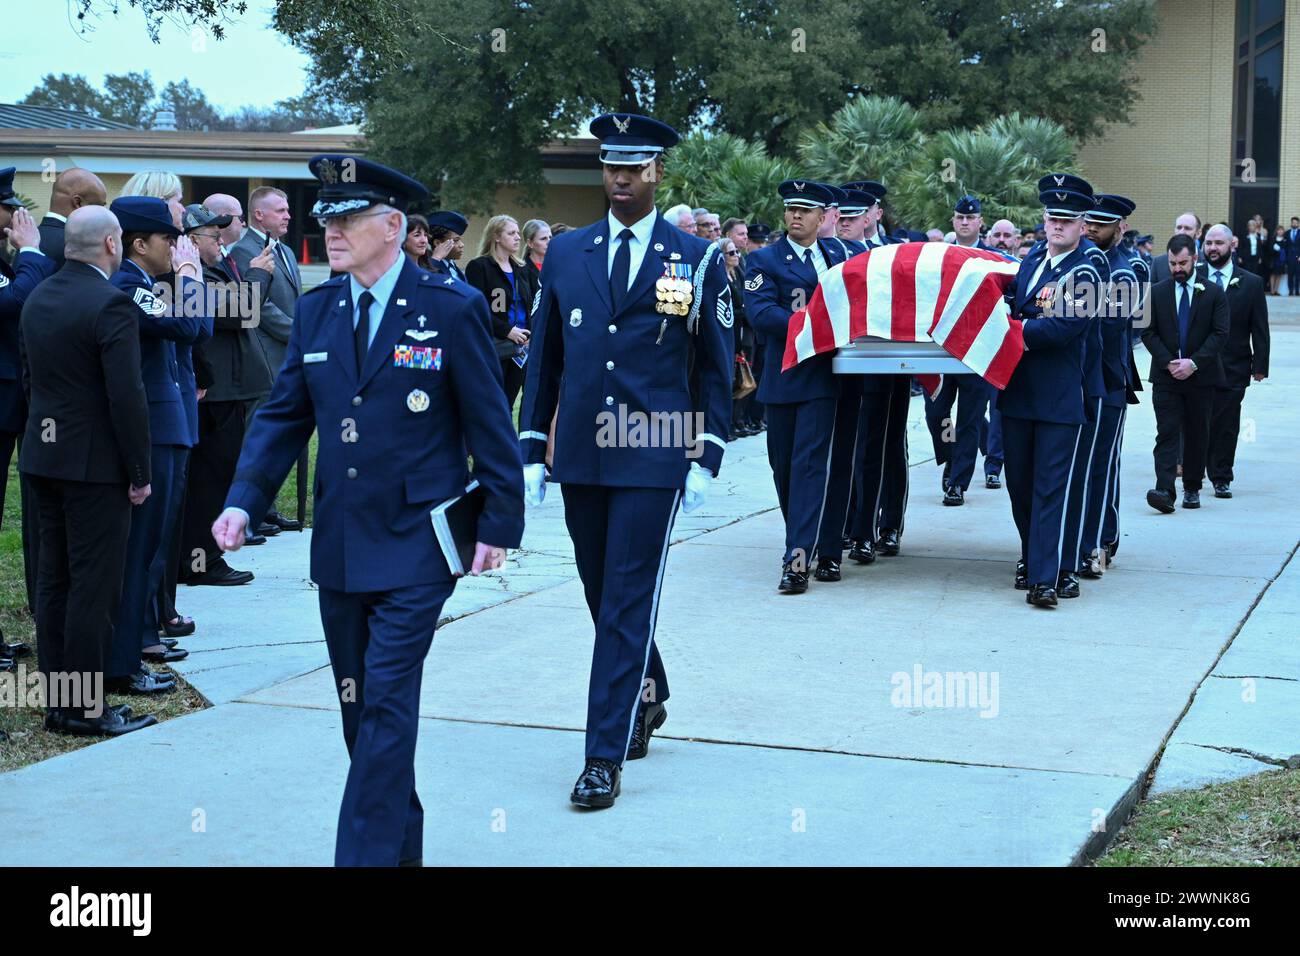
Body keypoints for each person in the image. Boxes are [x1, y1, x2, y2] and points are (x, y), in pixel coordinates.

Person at [212, 154, 524, 865]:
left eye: (347, 218)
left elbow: (488, 422)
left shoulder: (450, 308)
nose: (331, 231)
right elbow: (284, 417)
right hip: (343, 547)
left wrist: (500, 522)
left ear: (392, 226)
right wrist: (242, 499)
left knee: (384, 703)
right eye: (325, 218)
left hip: (418, 545)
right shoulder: (321, 309)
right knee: (363, 718)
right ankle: (400, 849)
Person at [518, 113, 732, 808]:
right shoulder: (570, 252)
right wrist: (529, 445)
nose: (620, 179)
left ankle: (603, 755)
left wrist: (707, 453)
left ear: (657, 173)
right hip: (580, 449)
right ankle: (649, 686)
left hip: (653, 451)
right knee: (601, 592)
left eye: (635, 168)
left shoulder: (692, 256)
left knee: (627, 596)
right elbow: (545, 357)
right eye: (611, 166)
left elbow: (713, 366)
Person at [20, 205, 156, 736]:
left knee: (54, 579)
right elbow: (127, 396)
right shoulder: (111, 303)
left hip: (43, 456)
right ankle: (85, 707)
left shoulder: (38, 296)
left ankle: (60, 700)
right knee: (94, 586)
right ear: (110, 244)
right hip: (95, 467)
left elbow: (34, 380)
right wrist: (139, 470)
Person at [105, 196, 206, 693]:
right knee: (140, 549)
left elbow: (196, 331)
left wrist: (187, 282)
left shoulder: (144, 283)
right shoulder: (128, 283)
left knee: (151, 547)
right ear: (138, 243)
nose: (176, 246)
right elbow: (190, 326)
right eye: (168, 238)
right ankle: (125, 659)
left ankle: (137, 643)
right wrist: (190, 278)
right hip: (154, 429)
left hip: (168, 426)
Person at [998, 177, 1105, 608]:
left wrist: (1014, 330)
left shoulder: (1088, 268)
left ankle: (1047, 577)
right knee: (1019, 484)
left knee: (1050, 489)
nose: (1057, 226)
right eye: (1051, 219)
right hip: (1019, 389)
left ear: (1082, 225)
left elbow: (1065, 326)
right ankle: (1037, 556)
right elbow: (1012, 302)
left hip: (1060, 394)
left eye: (1066, 220)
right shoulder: (1031, 261)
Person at [745, 180, 849, 591]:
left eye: (805, 210)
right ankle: (813, 542)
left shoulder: (836, 257)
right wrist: (813, 328)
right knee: (784, 469)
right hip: (785, 376)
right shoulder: (766, 260)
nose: (795, 216)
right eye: (791, 209)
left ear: (823, 217)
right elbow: (760, 313)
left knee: (809, 468)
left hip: (824, 378)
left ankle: (797, 559)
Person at [179, 202, 275, 590]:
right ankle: (202, 561)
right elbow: (243, 311)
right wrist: (258, 275)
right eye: (209, 233)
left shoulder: (215, 267)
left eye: (220, 230)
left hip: (229, 388)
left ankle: (202, 557)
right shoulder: (193, 276)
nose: (219, 237)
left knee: (217, 478)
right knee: (209, 481)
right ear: (189, 240)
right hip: (216, 393)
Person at [0, 167, 57, 670]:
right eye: (7, 209)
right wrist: (33, 252)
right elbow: (18, 300)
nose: (13, 219)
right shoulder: (20, 259)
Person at [842, 180, 909, 563]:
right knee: (852, 447)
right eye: (844, 215)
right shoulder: (833, 254)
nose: (849, 221)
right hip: (847, 367)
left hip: (888, 363)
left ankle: (886, 525)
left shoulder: (892, 255)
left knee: (886, 446)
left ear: (874, 215)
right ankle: (855, 525)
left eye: (857, 214)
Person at [231, 185, 304, 534]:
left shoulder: (285, 251)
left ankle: (267, 507)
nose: (288, 215)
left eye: (288, 209)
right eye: (280, 210)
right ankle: (250, 512)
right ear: (258, 214)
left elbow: (291, 298)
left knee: (275, 437)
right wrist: (297, 331)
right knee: (256, 436)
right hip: (262, 357)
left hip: (286, 358)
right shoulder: (243, 249)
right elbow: (257, 305)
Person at [1141, 234, 1230, 514]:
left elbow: (1220, 334)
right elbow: (1147, 331)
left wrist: (1194, 363)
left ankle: (1192, 487)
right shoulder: (1156, 292)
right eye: (1172, 263)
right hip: (1166, 377)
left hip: (1200, 377)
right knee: (1166, 433)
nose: (1177, 269)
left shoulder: (1214, 293)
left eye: (1182, 263)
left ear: (1195, 259)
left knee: (1196, 433)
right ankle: (1165, 490)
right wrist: (1168, 362)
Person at [1078, 193, 1139, 577]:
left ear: (1121, 227)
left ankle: (1102, 538)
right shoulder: (1081, 262)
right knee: (1082, 463)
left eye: (1102, 223)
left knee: (1101, 463)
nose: (1093, 228)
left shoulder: (1126, 271)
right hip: (1079, 376)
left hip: (1108, 377)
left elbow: (1109, 324)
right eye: (1090, 221)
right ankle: (1088, 536)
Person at [925, 196, 1001, 506]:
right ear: (953, 222)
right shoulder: (936, 256)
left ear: (981, 222)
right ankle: (950, 458)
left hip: (977, 351)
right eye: (959, 217)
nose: (965, 222)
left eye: (971, 218)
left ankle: (958, 482)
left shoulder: (994, 257)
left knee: (970, 419)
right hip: (941, 350)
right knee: (937, 413)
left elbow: (1018, 295)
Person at [1202, 224, 1269, 499]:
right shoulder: (1193, 278)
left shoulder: (1251, 283)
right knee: (1198, 421)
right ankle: (1194, 472)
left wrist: (1261, 366)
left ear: (1233, 245)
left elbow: (1259, 327)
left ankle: (1221, 476)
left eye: (1218, 243)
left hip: (1235, 364)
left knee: (1227, 424)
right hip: (1198, 365)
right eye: (1208, 243)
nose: (1213, 248)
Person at [465, 215, 537, 410]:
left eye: (518, 233)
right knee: (490, 404)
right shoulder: (480, 267)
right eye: (511, 233)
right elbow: (477, 310)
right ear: (496, 236)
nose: (518, 237)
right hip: (495, 344)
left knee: (508, 403)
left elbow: (531, 305)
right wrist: (507, 330)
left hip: (522, 347)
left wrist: (530, 332)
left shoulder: (522, 269)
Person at [37, 167, 108, 269]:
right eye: (99, 206)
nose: (103, 213)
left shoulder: (29, 241)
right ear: (77, 202)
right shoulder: (78, 246)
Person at [1151, 212, 1201, 282]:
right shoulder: (1158, 263)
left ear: (1198, 233)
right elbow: (1149, 292)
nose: (1181, 232)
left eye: (1187, 228)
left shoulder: (1208, 261)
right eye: (1179, 227)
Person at [425, 210, 470, 282]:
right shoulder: (429, 266)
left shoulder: (453, 267)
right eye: (456, 240)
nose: (461, 245)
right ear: (437, 243)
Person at [1286, 217, 1300, 296]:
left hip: (1298, 257)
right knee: (1290, 275)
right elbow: (1285, 245)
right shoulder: (1287, 233)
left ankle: (1297, 291)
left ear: (1298, 224)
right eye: (1293, 222)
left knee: (1298, 275)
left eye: (1296, 223)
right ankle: (1290, 291)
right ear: (1291, 223)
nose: (1294, 224)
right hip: (1289, 257)